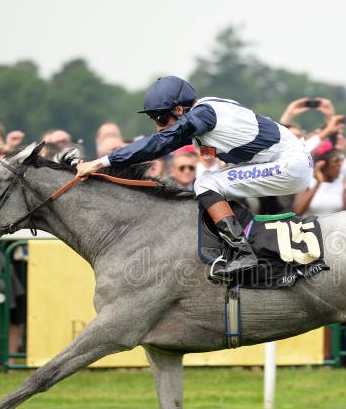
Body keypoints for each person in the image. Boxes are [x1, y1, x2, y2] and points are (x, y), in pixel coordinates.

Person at [76, 76, 313, 278]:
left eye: (161, 119)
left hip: (290, 165)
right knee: (212, 182)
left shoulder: (204, 114)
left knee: (206, 183)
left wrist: (100, 162)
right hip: (286, 161)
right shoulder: (204, 111)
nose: (159, 127)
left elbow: (159, 144)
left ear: (179, 109)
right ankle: (241, 243)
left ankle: (243, 253)